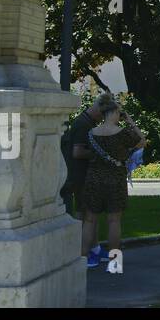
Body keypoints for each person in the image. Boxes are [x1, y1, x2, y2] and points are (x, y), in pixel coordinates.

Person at [77, 93, 147, 270]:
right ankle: (114, 262)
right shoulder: (123, 133)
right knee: (114, 221)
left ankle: (83, 258)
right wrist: (129, 120)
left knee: (90, 220)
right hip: (115, 179)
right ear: (115, 112)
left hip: (93, 178)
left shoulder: (92, 133)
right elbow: (142, 141)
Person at [60, 97, 103, 244]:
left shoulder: (86, 122)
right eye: (103, 114)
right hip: (80, 174)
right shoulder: (83, 124)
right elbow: (77, 152)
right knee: (85, 212)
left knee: (84, 210)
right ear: (98, 109)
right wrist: (98, 153)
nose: (103, 118)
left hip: (81, 173)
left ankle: (84, 245)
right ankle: (82, 246)